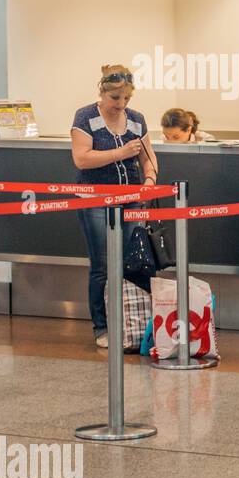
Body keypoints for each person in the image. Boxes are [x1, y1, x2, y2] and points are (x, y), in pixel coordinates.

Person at [70, 65, 159, 348]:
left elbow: (148, 157)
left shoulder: (136, 120)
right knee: (102, 266)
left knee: (126, 262)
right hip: (94, 200)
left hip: (131, 199)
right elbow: (82, 159)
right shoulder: (85, 117)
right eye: (115, 99)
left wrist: (149, 178)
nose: (121, 105)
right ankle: (101, 327)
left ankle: (127, 322)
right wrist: (120, 153)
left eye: (126, 100)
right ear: (103, 93)